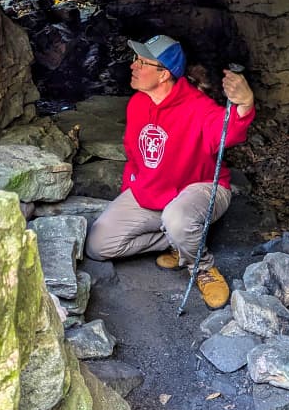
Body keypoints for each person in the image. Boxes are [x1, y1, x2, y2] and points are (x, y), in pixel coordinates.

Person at [84, 33, 255, 308]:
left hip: (200, 188)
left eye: (142, 62)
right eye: (135, 60)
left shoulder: (198, 107)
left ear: (164, 75)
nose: (133, 66)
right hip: (154, 192)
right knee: (98, 245)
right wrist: (131, 188)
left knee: (177, 217)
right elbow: (134, 154)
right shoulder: (138, 103)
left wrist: (245, 104)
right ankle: (179, 242)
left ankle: (201, 267)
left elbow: (227, 132)